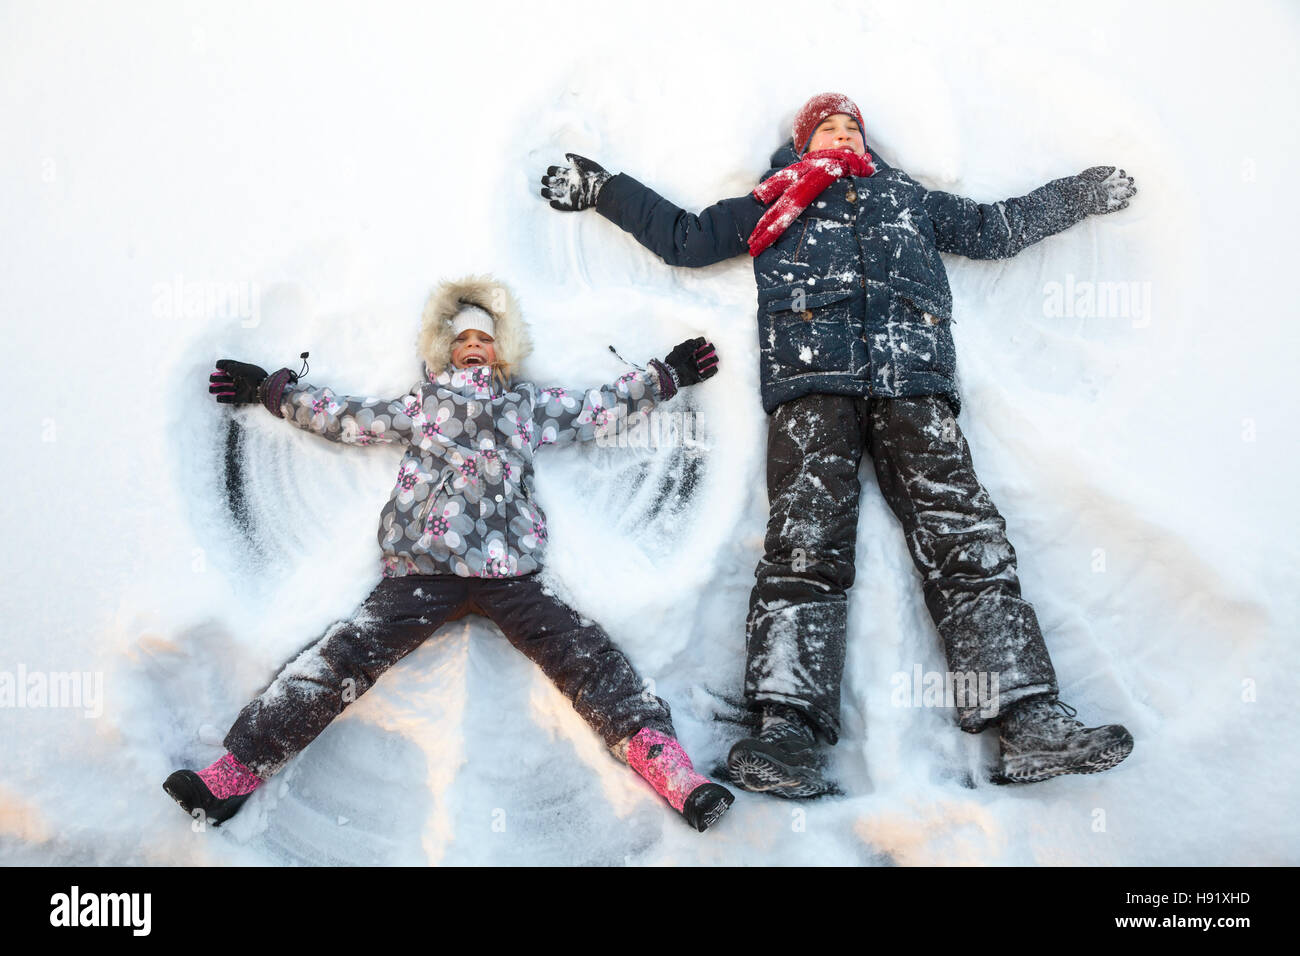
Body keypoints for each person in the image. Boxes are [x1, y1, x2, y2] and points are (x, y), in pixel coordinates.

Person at [539, 92, 1137, 796]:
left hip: (913, 383)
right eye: (828, 124)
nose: (843, 132)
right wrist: (604, 190)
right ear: (801, 142)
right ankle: (786, 731)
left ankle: (1029, 718)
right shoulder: (774, 198)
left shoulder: (906, 198)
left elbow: (996, 227)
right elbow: (685, 237)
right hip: (811, 388)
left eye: (852, 124)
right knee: (804, 547)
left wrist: (1081, 193)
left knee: (965, 539)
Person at [164, 274, 733, 831]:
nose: (472, 348)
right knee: (341, 660)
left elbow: (596, 409)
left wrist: (666, 377)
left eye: (484, 339)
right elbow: (349, 419)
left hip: (510, 575)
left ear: (503, 350)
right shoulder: (423, 404)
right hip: (422, 571)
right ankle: (233, 772)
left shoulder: (525, 404)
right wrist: (275, 391)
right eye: (460, 340)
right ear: (441, 352)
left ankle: (668, 768)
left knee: (586, 657)